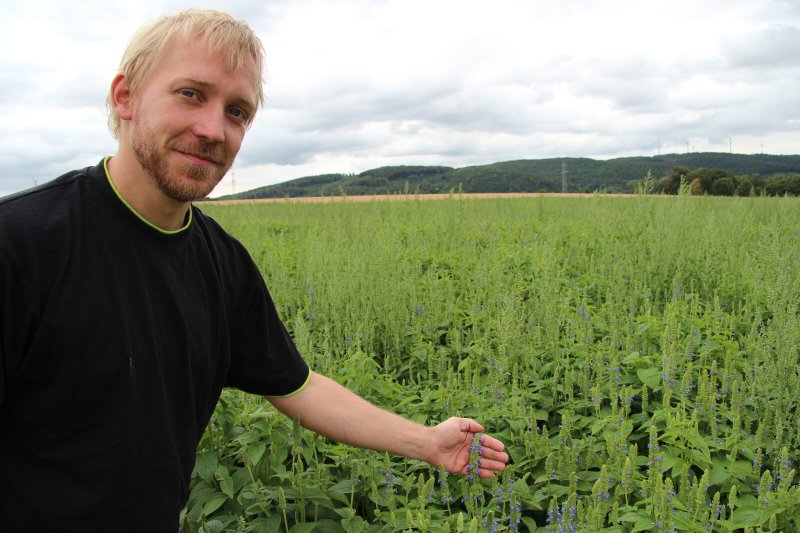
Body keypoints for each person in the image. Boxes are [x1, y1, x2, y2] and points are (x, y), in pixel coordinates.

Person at [0, 8, 508, 532]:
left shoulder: (222, 263)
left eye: (238, 111)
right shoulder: (22, 245)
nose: (212, 129)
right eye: (191, 93)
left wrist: (425, 441)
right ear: (125, 97)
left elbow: (297, 387)